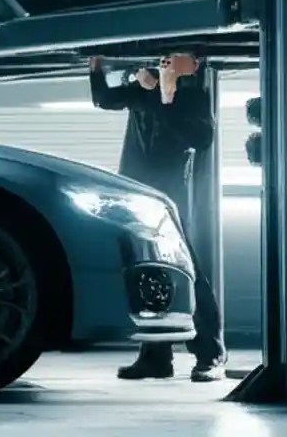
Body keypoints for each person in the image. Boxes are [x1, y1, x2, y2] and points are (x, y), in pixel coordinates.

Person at [90, 54, 227, 382]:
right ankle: (156, 357)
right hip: (135, 189)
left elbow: (201, 139)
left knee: (187, 270)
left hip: (167, 197)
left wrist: (166, 96)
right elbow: (105, 99)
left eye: (173, 62)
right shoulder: (141, 90)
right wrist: (96, 68)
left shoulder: (192, 97)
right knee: (147, 272)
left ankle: (211, 352)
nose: (166, 65)